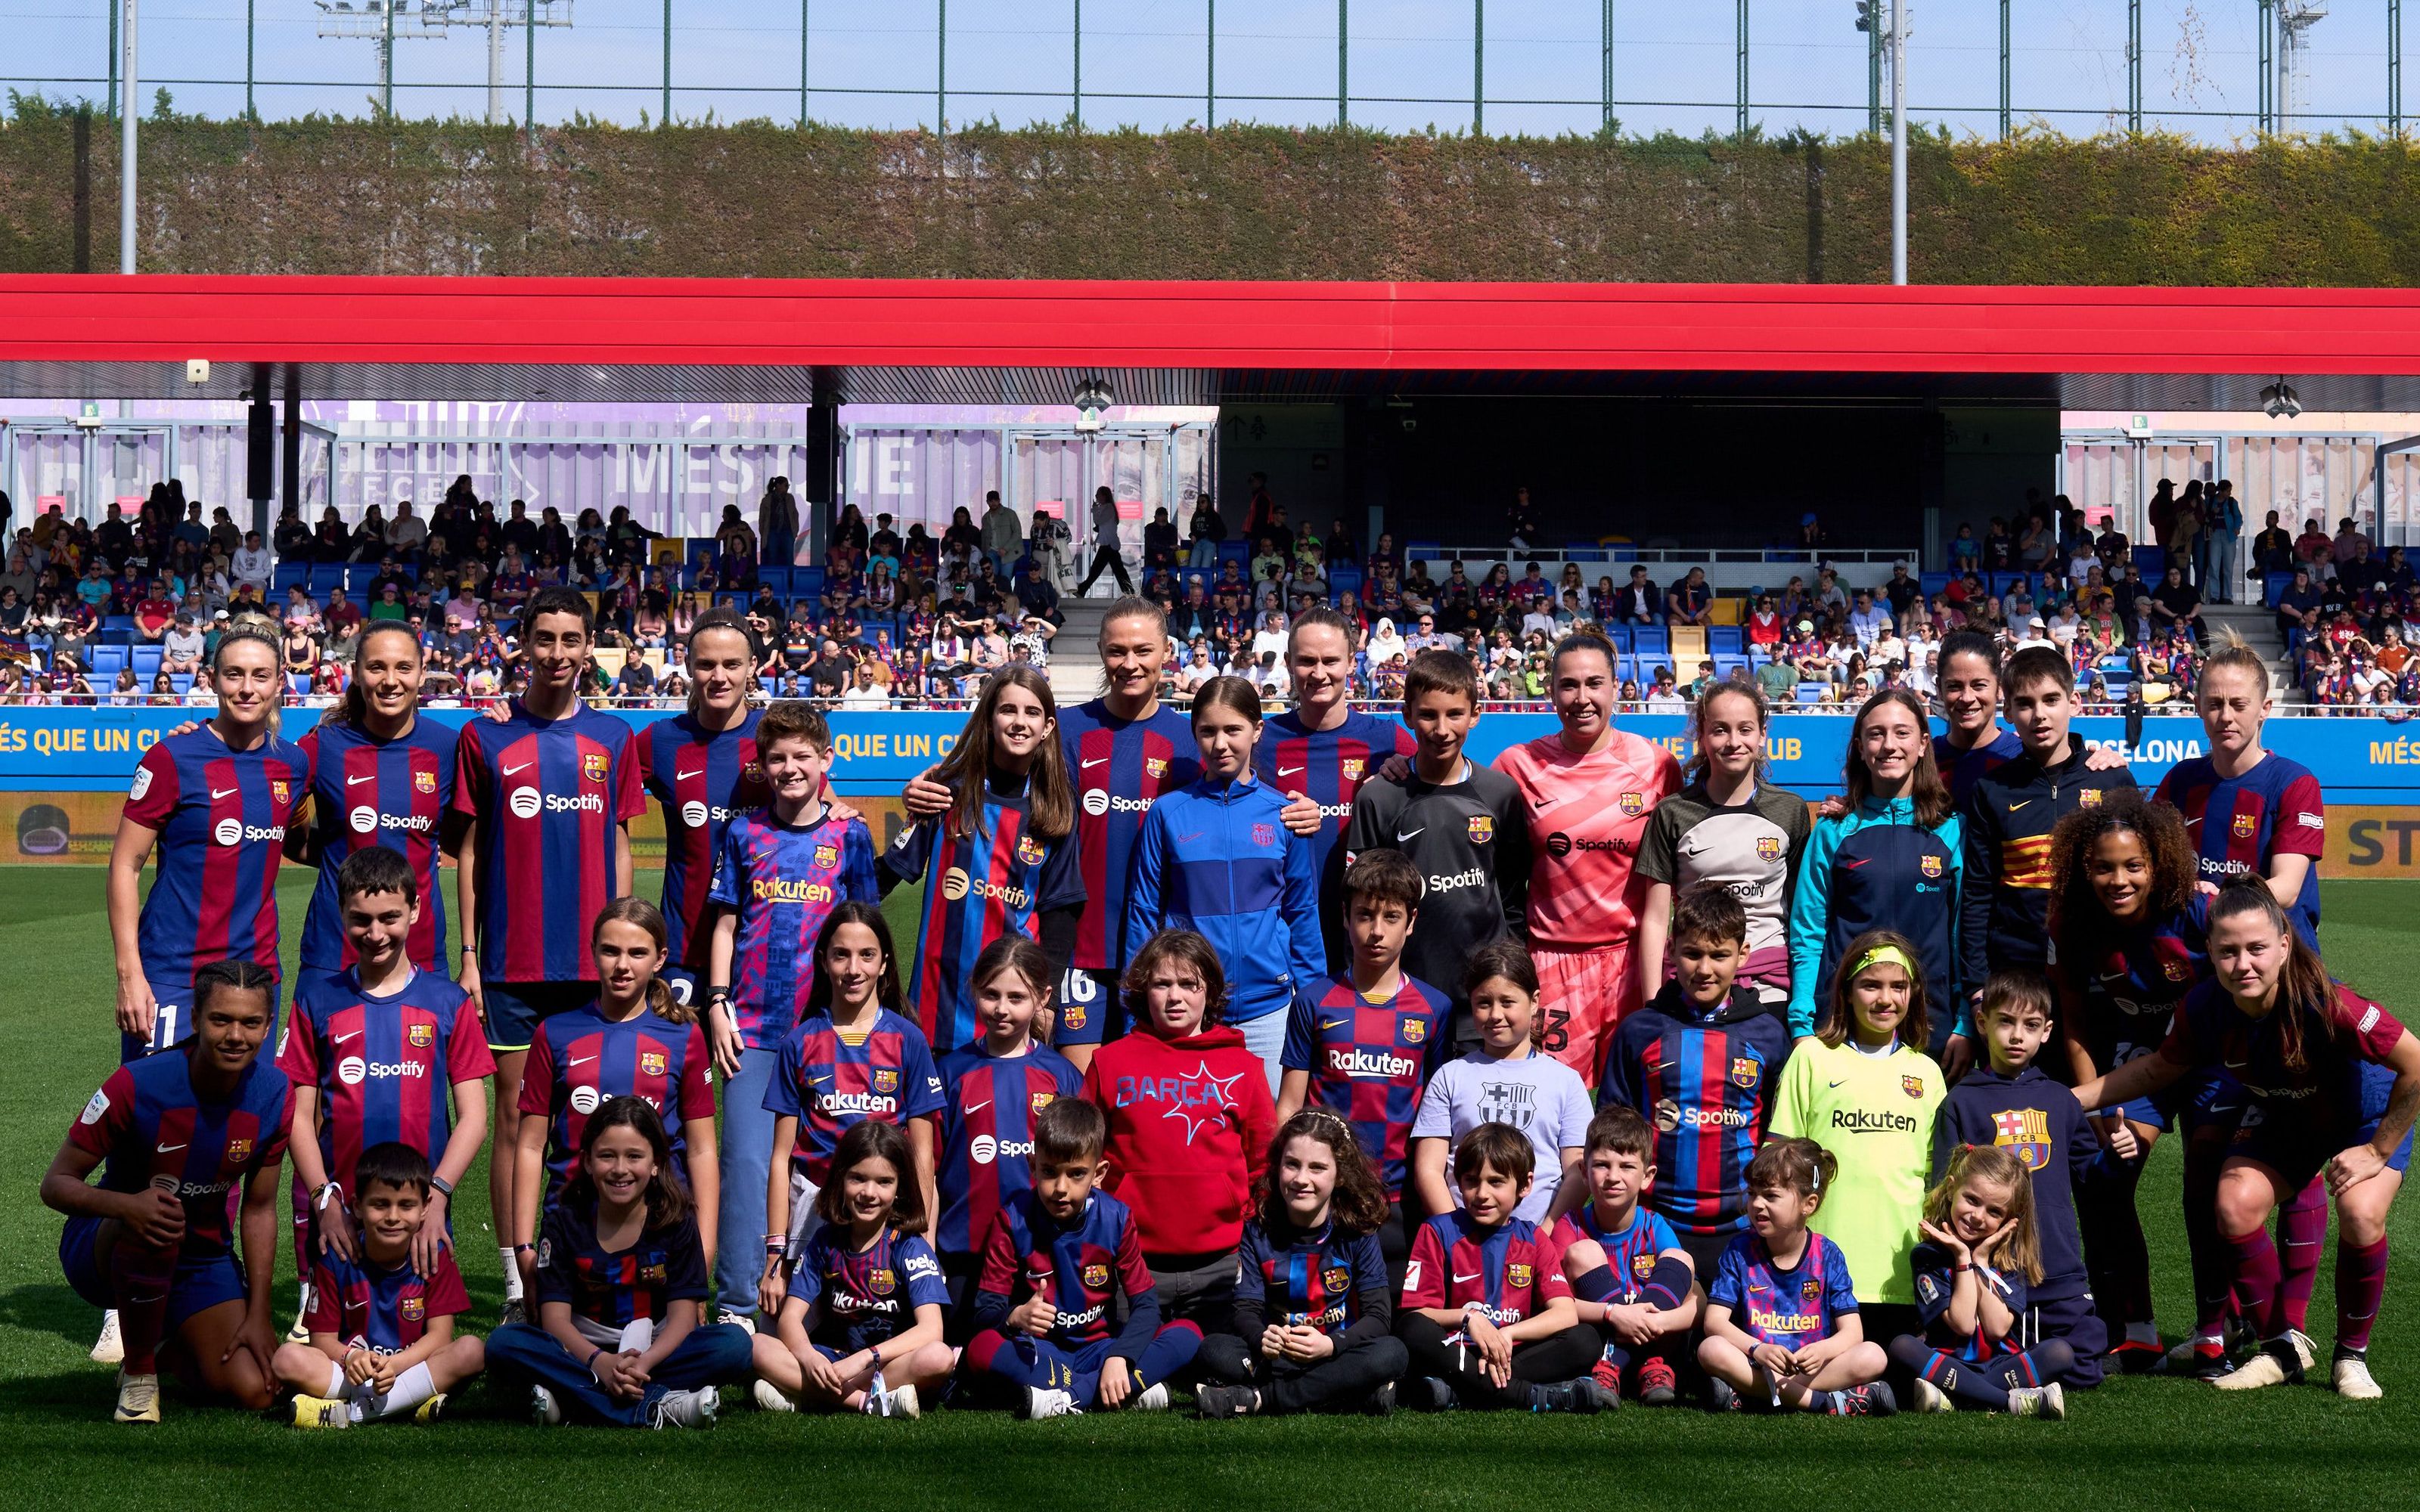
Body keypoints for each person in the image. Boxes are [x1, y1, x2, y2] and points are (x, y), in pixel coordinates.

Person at [2071, 883, 2420, 1400]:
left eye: (2256, 948)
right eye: (2228, 951)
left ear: (2284, 943)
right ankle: (2281, 1349)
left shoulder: (2328, 1002)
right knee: (2234, 1205)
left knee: (2361, 1213)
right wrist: (2068, 1100)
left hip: (2362, 1117)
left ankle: (2351, 1357)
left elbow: (2414, 1063)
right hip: (2288, 1115)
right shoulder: (2205, 1004)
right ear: (2209, 952)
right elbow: (2158, 1069)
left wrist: (2376, 1151)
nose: (2243, 964)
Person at [453, 587, 648, 1315]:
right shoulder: (487, 737)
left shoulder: (616, 739)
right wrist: (469, 955)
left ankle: (587, 1272)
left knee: (596, 1120)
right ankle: (514, 1281)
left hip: (596, 969)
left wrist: (626, 942)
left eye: (572, 640)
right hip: (510, 964)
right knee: (515, 1120)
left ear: (588, 646)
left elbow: (622, 843)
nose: (558, 654)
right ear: (522, 645)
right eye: (545, 640)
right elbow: (470, 850)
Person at [42, 962, 291, 1422]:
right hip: (108, 1241)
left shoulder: (275, 1093)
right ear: (195, 1019)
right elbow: (55, 1185)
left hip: (201, 1257)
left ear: (267, 1025)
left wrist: (259, 1312)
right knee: (158, 1215)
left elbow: (258, 1210)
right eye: (221, 1020)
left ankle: (160, 1347)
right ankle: (138, 1376)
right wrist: (126, 1206)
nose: (236, 1035)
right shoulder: (137, 1084)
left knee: (257, 1389)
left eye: (251, 1023)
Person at [701, 699, 881, 1325]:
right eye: (776, 757)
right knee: (747, 1166)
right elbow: (725, 924)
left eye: (803, 756)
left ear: (827, 760)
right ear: (761, 765)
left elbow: (865, 933)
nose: (790, 767)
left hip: (824, 1033)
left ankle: (828, 1302)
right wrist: (717, 1004)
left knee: (827, 1166)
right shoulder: (744, 833)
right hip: (749, 1030)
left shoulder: (850, 835)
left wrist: (863, 1023)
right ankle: (738, 1306)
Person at [279, 849, 492, 1341]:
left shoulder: (447, 1003)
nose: (375, 934)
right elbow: (298, 1116)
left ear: (415, 910)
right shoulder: (316, 1000)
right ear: (341, 915)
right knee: (330, 1345)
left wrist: (436, 1198)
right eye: (361, 920)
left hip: (421, 1216)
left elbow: (475, 1117)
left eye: (389, 918)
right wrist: (324, 1198)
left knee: (425, 1343)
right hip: (344, 1217)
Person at [487, 1097, 753, 1427]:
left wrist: (644, 1364)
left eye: (634, 1156)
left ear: (656, 1162)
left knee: (735, 1346)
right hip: (582, 1350)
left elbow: (683, 1320)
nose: (620, 1169)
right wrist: (600, 1362)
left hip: (655, 1352)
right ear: (587, 1162)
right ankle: (661, 1405)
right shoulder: (565, 1221)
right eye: (607, 1156)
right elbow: (555, 1320)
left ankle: (574, 1402)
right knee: (504, 1344)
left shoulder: (677, 1220)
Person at [107, 629, 309, 1064]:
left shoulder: (292, 765)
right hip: (173, 974)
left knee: (242, 1119)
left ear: (280, 681)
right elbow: (125, 864)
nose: (247, 688)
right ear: (213, 678)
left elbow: (298, 842)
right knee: (155, 1117)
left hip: (255, 976)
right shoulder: (171, 758)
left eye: (261, 675)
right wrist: (129, 973)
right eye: (234, 675)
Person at [511, 901, 717, 1312]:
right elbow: (531, 1147)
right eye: (611, 951)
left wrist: (702, 1256)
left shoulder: (685, 1037)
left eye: (637, 953)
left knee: (687, 1343)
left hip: (661, 1228)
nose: (622, 965)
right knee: (522, 1348)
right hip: (573, 1227)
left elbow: (702, 1150)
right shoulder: (554, 1033)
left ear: (660, 959)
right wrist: (524, 1250)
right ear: (592, 952)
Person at [1493, 632, 1683, 1075]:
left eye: (1594, 683)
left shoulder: (1656, 765)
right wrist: (1395, 766)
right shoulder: (1517, 764)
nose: (1582, 698)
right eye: (1569, 685)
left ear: (1616, 687)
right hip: (1552, 961)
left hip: (1634, 959)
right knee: (1552, 1104)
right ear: (1551, 690)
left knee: (1638, 1101)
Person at [1123, 677, 1323, 1092]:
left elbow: (1302, 914)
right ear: (1195, 734)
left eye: (1233, 729)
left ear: (1257, 730)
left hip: (1271, 1013)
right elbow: (1144, 913)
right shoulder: (1168, 813)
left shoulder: (1285, 814)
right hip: (1194, 1013)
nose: (1221, 744)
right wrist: (1136, 1008)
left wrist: (1311, 1004)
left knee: (1270, 1142)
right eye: (1208, 731)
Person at [881, 667, 1084, 1058]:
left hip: (1016, 1005)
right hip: (937, 1002)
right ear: (989, 718)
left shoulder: (1056, 809)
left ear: (1048, 726)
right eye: (1008, 710)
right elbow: (886, 875)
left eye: (1032, 712)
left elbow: (1060, 914)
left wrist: (1050, 999)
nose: (1020, 722)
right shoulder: (946, 791)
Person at [1081, 929, 1277, 1334]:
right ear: (1142, 990)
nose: (1176, 997)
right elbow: (1083, 1160)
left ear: (1210, 992)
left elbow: (1262, 1165)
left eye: (1189, 984)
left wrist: (1249, 1242)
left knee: (1217, 1360)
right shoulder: (1109, 1063)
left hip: (1221, 1261)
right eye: (1162, 984)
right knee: (1128, 1361)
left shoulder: (1244, 1068)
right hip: (1131, 1261)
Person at [963, 1098, 1202, 1418]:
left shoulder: (1116, 1218)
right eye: (1049, 1172)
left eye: (1076, 1174)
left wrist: (1121, 1358)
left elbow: (1146, 1307)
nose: (1061, 1188)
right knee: (980, 1349)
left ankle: (1068, 1397)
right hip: (1043, 1351)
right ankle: (1119, 1390)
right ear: (1033, 1165)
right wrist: (1015, 1316)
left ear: (1099, 1173)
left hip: (1101, 1350)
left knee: (1189, 1333)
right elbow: (985, 1312)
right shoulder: (1011, 1220)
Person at [1599, 885, 1792, 1275]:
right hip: (1654, 1223)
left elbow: (1777, 1131)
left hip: (1743, 1226)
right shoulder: (1640, 1030)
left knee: (1728, 1335)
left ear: (1744, 956)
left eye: (1720, 955)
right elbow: (1613, 1128)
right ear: (1671, 951)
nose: (1705, 969)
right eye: (1692, 954)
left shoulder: (1768, 1034)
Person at [1275, 850, 1450, 1281]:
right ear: (1344, 917)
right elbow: (1290, 1106)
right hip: (1327, 1196)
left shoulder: (1434, 1007)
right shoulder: (1314, 1002)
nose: (1376, 931)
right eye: (1365, 915)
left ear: (1411, 922)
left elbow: (1436, 1112)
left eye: (1391, 917)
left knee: (1393, 1324)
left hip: (1400, 1200)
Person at [1342, 650, 1531, 1046]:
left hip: (1482, 1000)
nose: (1441, 729)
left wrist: (1511, 971)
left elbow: (1513, 899)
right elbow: (1360, 903)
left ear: (1475, 715)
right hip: (1403, 995)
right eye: (1428, 715)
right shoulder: (1379, 797)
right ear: (1408, 715)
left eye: (1455, 714)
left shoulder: (1501, 793)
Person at [761, 903, 945, 1304]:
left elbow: (923, 1153)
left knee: (890, 1330)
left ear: (884, 964)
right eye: (841, 954)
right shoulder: (799, 1042)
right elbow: (781, 1158)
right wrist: (775, 1255)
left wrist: (924, 1237)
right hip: (813, 1203)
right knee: (774, 1344)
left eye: (867, 955)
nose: (853, 969)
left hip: (885, 1204)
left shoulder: (908, 1040)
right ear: (824, 961)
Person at [1933, 970, 2109, 1387]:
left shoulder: (2061, 1100)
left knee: (2084, 1370)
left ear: (2047, 1032)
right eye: (2006, 1022)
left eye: (2030, 1026)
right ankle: (1998, 1375)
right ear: (1982, 1023)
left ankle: (1994, 1379)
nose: (2017, 1036)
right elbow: (1943, 1190)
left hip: (2058, 1266)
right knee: (1990, 1349)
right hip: (1995, 1271)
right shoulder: (1961, 1101)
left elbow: (2091, 1177)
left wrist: (2116, 1157)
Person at [1770, 933, 1946, 1343]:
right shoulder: (1811, 1057)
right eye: (1871, 985)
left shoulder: (1927, 1073)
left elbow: (1938, 1177)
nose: (1885, 999)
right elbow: (1780, 1160)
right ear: (1847, 991)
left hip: (1897, 1267)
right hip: (1818, 1260)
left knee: (1889, 1371)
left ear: (1913, 994)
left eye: (1898, 986)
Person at [1194, 1109, 1411, 1418]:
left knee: (1392, 1352)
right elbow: (1246, 1310)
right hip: (1279, 1356)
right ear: (1277, 1166)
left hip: (1335, 1351)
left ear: (1340, 1175)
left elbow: (1378, 1317)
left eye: (1318, 1168)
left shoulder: (1357, 1231)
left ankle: (1263, 1400)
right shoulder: (1258, 1229)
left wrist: (1331, 1345)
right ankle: (1347, 1392)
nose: (1301, 1179)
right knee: (1213, 1351)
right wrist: (1262, 1338)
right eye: (1292, 1164)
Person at [1787, 689, 1965, 1061]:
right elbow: (1809, 933)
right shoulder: (1832, 831)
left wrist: (1964, 1022)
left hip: (1930, 1026)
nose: (1889, 745)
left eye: (1902, 733)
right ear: (1860, 747)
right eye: (1876, 734)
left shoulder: (1952, 829)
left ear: (1923, 745)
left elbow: (1961, 934)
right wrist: (1802, 1023)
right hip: (1843, 1026)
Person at [1957, 643, 2138, 998]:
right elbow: (1978, 893)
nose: (2039, 714)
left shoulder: (2112, 779)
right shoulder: (1991, 790)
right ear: (2007, 711)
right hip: (2017, 971)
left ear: (2074, 703)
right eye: (2025, 703)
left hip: (2101, 970)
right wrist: (1977, 984)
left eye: (2051, 700)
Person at [292, 621, 458, 1004]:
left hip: (421, 953)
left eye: (403, 667)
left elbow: (464, 840)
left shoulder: (449, 747)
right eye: (376, 667)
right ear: (355, 673)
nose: (390, 680)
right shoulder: (325, 744)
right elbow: (265, 803)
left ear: (421, 673)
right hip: (333, 952)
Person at [1396, 1122, 1609, 1412]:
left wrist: (1507, 1335)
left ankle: (1459, 1392)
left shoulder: (1534, 1238)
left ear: (1525, 1185)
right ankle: (1534, 1396)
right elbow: (1418, 1313)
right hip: (1457, 1348)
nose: (1482, 1193)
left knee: (1586, 1340)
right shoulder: (1437, 1231)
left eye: (1496, 1182)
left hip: (1512, 1353)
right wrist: (1468, 1318)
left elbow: (1565, 1313)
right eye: (1471, 1181)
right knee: (1413, 1330)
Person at [275, 1142, 488, 1428]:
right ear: (357, 1207)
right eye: (380, 1204)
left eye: (406, 1205)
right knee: (286, 1359)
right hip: (351, 1375)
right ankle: (408, 1404)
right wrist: (351, 1357)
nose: (393, 1217)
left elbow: (440, 1338)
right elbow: (321, 1341)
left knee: (472, 1351)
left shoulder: (432, 1256)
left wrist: (396, 1366)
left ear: (426, 1208)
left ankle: (348, 1414)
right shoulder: (337, 1257)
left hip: (408, 1368)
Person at [1252, 607, 1419, 973]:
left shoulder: (1388, 742)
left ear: (1352, 662)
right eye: (1307, 661)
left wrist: (1404, 781)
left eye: (1331, 660)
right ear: (1287, 662)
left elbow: (1435, 806)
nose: (1319, 673)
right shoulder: (1262, 742)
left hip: (1366, 936)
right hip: (1286, 935)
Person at [750, 1119, 954, 1418]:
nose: (869, 1192)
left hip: (886, 1363)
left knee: (938, 1357)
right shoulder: (825, 1241)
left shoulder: (909, 1247)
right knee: (756, 1345)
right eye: (858, 1178)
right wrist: (808, 1357)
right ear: (840, 1180)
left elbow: (932, 1329)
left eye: (884, 1182)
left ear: (900, 1188)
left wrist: (865, 1360)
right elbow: (790, 1319)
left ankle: (810, 1395)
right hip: (834, 1360)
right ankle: (865, 1402)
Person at [932, 937, 1085, 1331]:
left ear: (1042, 998)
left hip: (1041, 1250)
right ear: (975, 991)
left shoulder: (1063, 1076)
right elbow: (928, 1169)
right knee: (965, 1349)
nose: (1001, 1008)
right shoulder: (950, 1073)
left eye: (1016, 997)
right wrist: (927, 1249)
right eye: (991, 995)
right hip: (964, 1250)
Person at [1634, 683, 1809, 1009]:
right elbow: (1656, 920)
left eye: (1745, 729)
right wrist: (1652, 1005)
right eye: (1719, 730)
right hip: (1693, 985)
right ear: (1701, 736)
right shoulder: (1671, 813)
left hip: (1769, 989)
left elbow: (1802, 915)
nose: (1733, 742)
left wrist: (1802, 1000)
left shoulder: (1791, 810)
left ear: (1762, 736)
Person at [1697, 1138, 1895, 1415]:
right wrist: (1757, 1349)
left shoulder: (1827, 1255)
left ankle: (1753, 1396)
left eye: (1771, 1196)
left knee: (1873, 1355)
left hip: (1811, 1370)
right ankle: (1824, 1403)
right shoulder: (1739, 1250)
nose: (1757, 1204)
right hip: (1757, 1364)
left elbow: (1853, 1333)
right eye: (1753, 1193)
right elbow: (1714, 1322)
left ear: (1809, 1204)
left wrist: (1824, 1351)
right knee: (1711, 1349)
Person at [638, 610, 772, 1010]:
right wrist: (517, 716)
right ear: (688, 666)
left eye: (732, 664)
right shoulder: (660, 740)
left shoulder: (776, 736)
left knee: (753, 1073)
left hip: (762, 947)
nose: (719, 677)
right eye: (706, 664)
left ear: (751, 667)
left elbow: (831, 810)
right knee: (680, 1071)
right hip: (685, 949)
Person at [1409, 940, 1591, 1229]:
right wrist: (1456, 1235)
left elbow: (1579, 1171)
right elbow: (1428, 1170)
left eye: (1507, 1002)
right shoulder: (1450, 1076)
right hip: (1462, 1236)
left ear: (1534, 1002)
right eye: (1484, 1003)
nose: (1495, 1015)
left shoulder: (1566, 1082)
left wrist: (1545, 1235)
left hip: (1539, 1240)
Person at [1885, 1144, 2077, 1417]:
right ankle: (2009, 1401)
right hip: (1949, 1363)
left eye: (1994, 1212)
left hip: (2003, 1365)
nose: (1978, 1217)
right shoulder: (1928, 1256)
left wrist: (1981, 1262)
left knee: (2060, 1351)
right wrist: (1963, 1259)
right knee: (1902, 1346)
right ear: (1951, 1189)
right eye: (1972, 1200)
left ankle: (1957, 1397)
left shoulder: (2010, 1260)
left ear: (2009, 1219)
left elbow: (1997, 1329)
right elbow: (1963, 1325)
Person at [1553, 1105, 1701, 1405]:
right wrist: (1615, 1314)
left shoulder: (1654, 1226)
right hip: (1598, 1337)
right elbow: (1552, 1302)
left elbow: (1696, 1297)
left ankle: (1623, 1363)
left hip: (1655, 1340)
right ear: (1583, 1171)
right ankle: (1631, 1363)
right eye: (1602, 1165)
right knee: (1584, 1252)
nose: (1613, 1176)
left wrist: (1652, 1323)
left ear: (1647, 1176)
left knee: (1682, 1259)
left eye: (1627, 1167)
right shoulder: (1569, 1227)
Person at [1075, 487, 1134, 596]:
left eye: (1098, 495)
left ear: (1104, 496)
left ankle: (1082, 589)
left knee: (1099, 569)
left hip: (1109, 545)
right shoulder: (1107, 508)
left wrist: (1094, 510)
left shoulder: (1108, 508)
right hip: (1108, 545)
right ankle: (1129, 592)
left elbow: (1099, 521)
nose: (1096, 497)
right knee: (1115, 569)